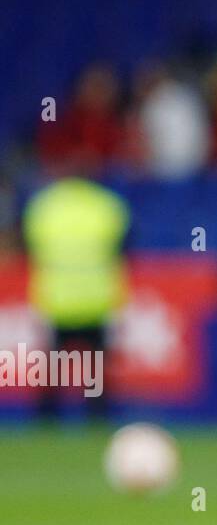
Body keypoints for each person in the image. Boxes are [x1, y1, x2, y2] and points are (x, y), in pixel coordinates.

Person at [23, 176, 129, 420]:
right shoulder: (106, 205)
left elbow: (30, 247)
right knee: (95, 368)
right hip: (96, 300)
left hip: (57, 300)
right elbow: (122, 250)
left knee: (53, 368)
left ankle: (47, 420)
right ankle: (96, 416)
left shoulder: (45, 205)